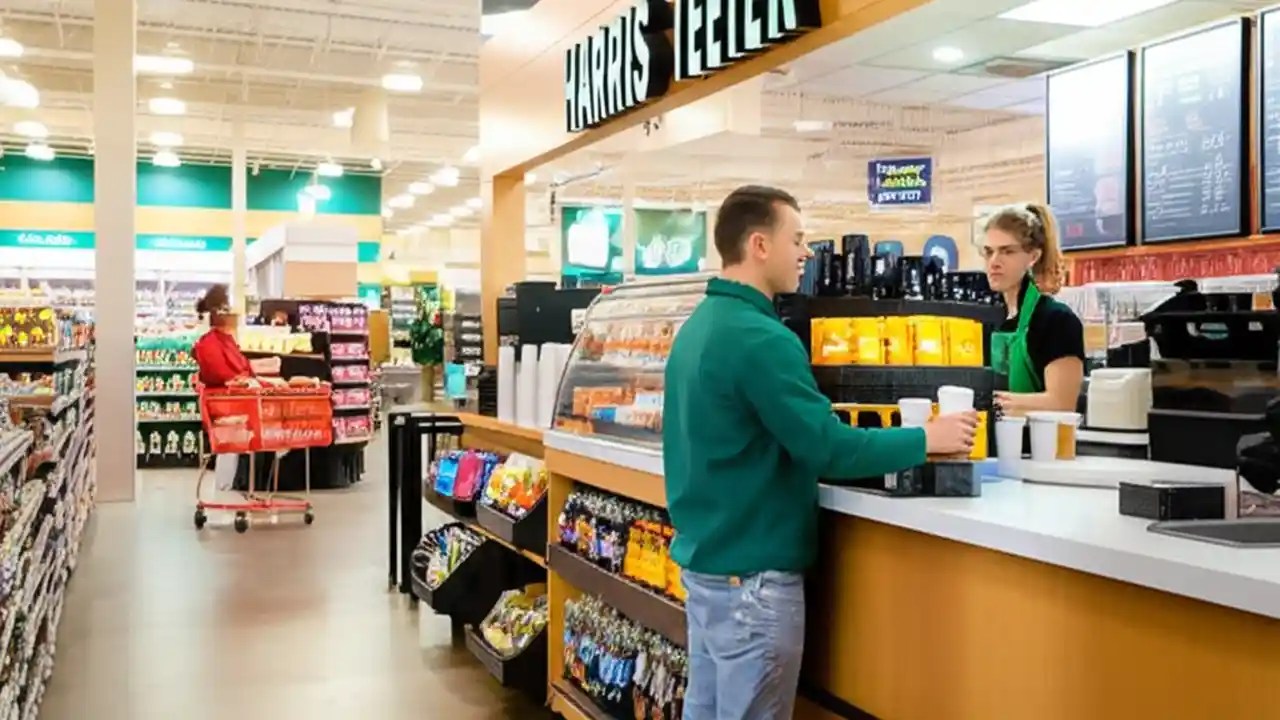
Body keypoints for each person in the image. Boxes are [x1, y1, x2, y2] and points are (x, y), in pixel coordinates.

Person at [662, 185, 978, 720]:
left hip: (709, 572)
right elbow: (827, 447)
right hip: (755, 583)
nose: (806, 253)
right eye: (798, 239)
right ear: (760, 245)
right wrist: (927, 438)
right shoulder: (761, 338)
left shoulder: (697, 328)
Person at [981, 204, 1085, 415]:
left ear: (1033, 256)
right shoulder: (985, 320)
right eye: (988, 252)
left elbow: (1061, 403)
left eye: (1007, 251)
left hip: (1038, 444)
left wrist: (988, 403)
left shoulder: (1056, 321)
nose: (994, 262)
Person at [191, 285, 280, 490]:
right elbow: (222, 374)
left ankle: (238, 485)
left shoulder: (222, 341)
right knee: (239, 440)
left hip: (233, 401)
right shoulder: (209, 344)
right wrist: (247, 380)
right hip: (228, 404)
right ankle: (235, 485)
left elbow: (239, 368)